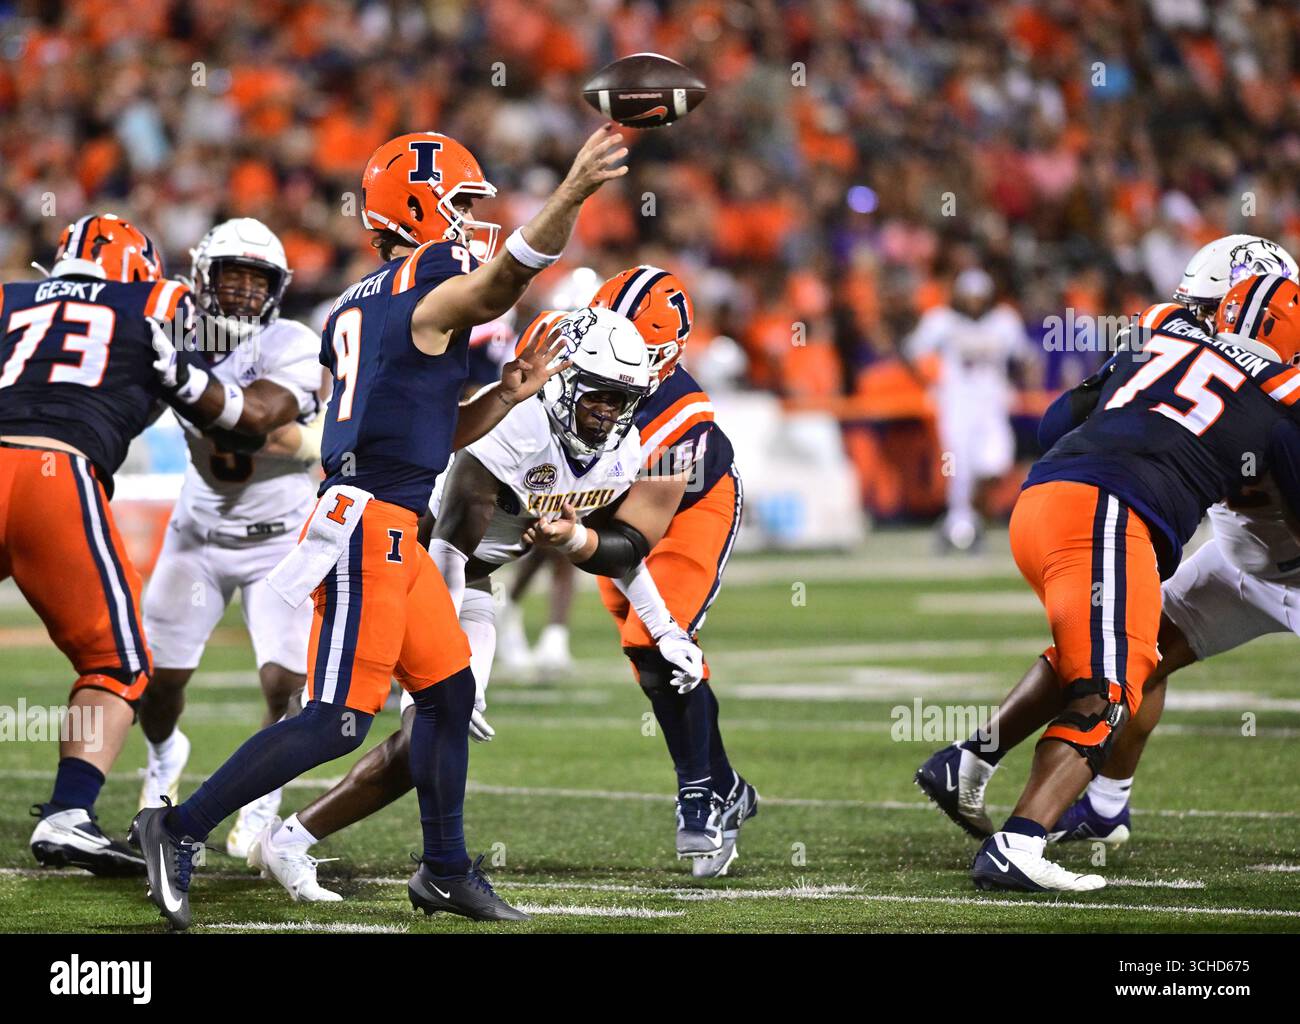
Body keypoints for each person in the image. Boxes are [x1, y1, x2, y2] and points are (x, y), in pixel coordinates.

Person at [128, 124, 631, 930]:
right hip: (370, 527)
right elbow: (501, 285)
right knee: (337, 720)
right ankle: (177, 827)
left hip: (389, 514)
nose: (471, 220)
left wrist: (503, 395)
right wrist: (570, 193)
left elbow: (416, 430)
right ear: (419, 201)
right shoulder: (433, 273)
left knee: (447, 691)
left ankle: (445, 868)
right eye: (461, 203)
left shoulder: (354, 304)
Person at [918, 237, 1300, 850]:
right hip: (1234, 560)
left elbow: (1053, 426)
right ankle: (1096, 807)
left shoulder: (1175, 345)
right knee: (1124, 658)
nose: (1202, 322)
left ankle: (993, 786)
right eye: (1199, 310)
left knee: (1111, 661)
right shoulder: (1249, 375)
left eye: (1210, 309)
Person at [137, 218, 326, 862]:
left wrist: (181, 380)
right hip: (199, 532)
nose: (244, 292)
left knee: (286, 683)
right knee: (158, 683)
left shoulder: (292, 342)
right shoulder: (175, 329)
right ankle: (164, 758)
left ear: (277, 289)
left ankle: (261, 798)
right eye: (232, 276)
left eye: (257, 280)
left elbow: (260, 419)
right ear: (202, 278)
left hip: (280, 537)